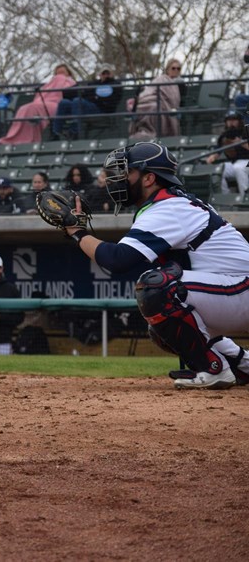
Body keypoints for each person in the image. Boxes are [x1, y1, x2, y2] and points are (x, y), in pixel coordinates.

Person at [56, 141, 249, 388]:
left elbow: (118, 260)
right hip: (233, 290)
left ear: (148, 178)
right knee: (160, 326)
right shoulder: (170, 203)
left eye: (127, 172)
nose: (119, 179)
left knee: (156, 288)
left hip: (240, 289)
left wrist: (77, 233)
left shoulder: (168, 207)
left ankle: (215, 368)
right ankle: (242, 365)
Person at [0, 64, 77, 145]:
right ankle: (15, 137)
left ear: (69, 73)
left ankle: (28, 139)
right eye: (57, 73)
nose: (59, 75)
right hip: (42, 102)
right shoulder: (48, 84)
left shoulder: (71, 83)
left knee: (33, 108)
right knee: (24, 108)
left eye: (62, 72)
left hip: (57, 105)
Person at [51, 66, 119, 141]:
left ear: (111, 74)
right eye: (103, 73)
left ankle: (74, 131)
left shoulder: (115, 84)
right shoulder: (93, 84)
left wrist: (93, 97)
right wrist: (92, 96)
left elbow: (109, 100)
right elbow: (81, 93)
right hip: (86, 107)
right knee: (64, 102)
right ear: (100, 75)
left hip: (101, 111)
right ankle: (56, 132)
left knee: (77, 101)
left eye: (107, 73)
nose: (106, 75)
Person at [130, 59, 183, 139]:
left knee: (157, 107)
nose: (176, 70)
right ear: (168, 69)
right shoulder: (161, 79)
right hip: (152, 100)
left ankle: (156, 132)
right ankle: (147, 130)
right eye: (173, 68)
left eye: (178, 69)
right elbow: (151, 90)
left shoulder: (181, 84)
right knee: (152, 106)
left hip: (167, 106)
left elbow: (175, 100)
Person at [204, 113, 249, 194]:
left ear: (239, 121)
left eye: (234, 120)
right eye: (229, 120)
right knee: (219, 170)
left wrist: (240, 142)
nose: (231, 122)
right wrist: (212, 157)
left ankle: (244, 198)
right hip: (235, 163)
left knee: (238, 168)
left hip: (246, 161)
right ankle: (225, 198)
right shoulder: (225, 135)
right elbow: (218, 151)